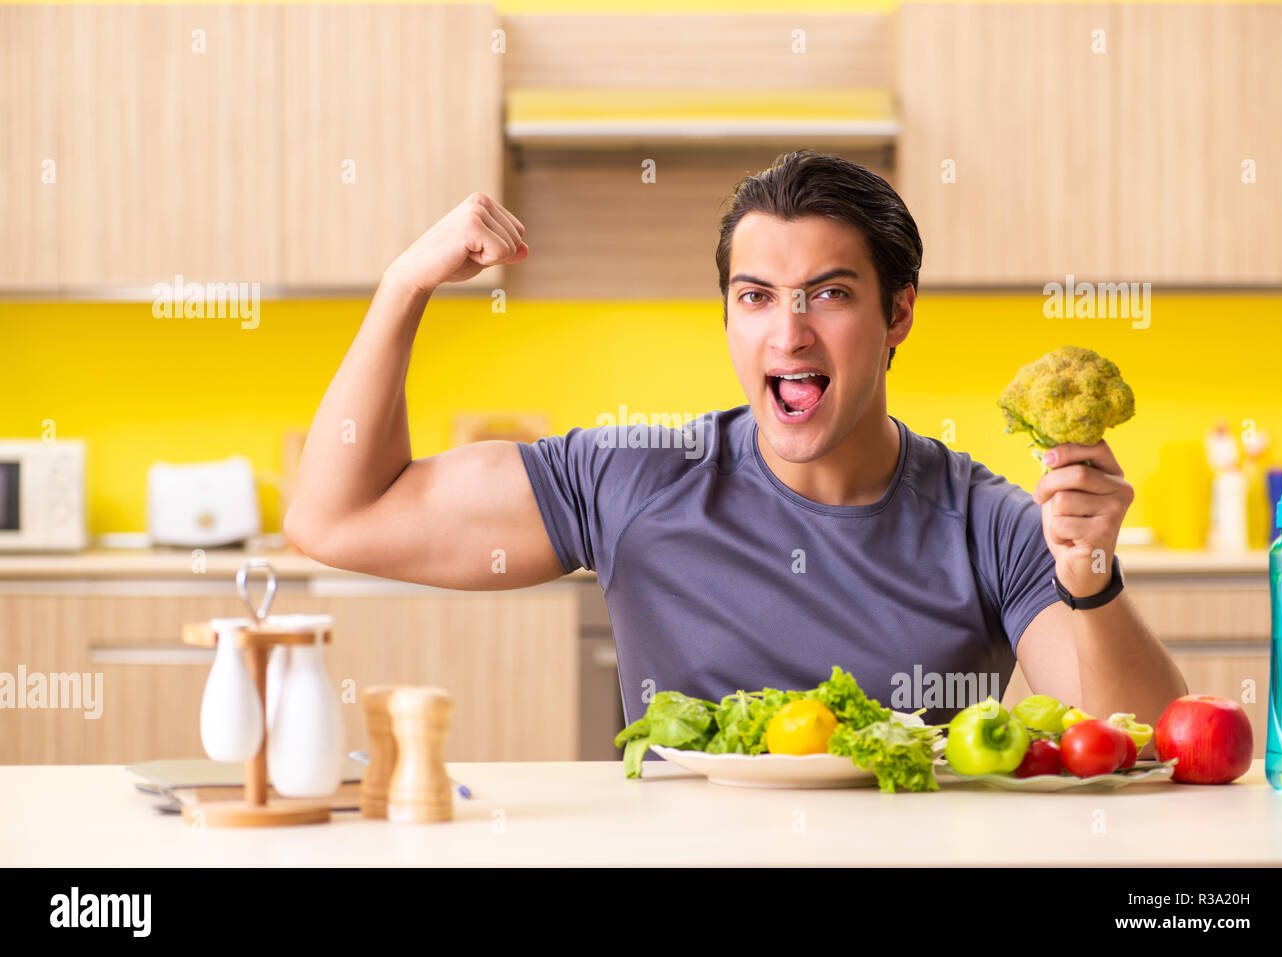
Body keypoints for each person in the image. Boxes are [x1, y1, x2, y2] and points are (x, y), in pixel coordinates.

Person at [285, 149, 1185, 751]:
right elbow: (335, 518)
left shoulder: (989, 522)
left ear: (897, 313)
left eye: (828, 294)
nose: (788, 334)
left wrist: (1090, 573)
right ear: (727, 316)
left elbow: (1139, 738)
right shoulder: (630, 475)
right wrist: (405, 284)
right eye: (756, 297)